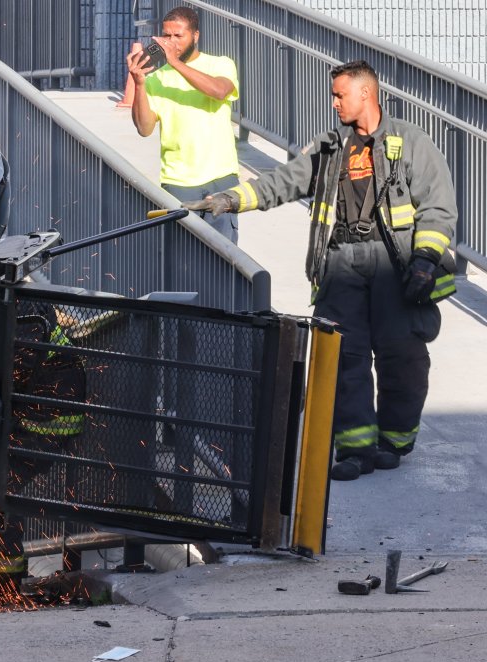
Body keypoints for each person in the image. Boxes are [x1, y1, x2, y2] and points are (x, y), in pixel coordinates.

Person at [182, 60, 458, 481]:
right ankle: (355, 449)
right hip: (341, 262)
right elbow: (282, 182)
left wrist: (425, 260)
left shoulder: (411, 142)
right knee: (342, 357)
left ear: (366, 94)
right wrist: (230, 199)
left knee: (403, 357)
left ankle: (394, 442)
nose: (334, 104)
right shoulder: (330, 148)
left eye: (339, 95)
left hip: (395, 265)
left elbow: (439, 206)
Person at [125, 6, 241, 242]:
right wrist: (139, 83)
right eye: (166, 35)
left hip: (220, 178)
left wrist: (175, 62)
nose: (171, 42)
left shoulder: (220, 64)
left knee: (224, 254)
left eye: (178, 35)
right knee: (183, 255)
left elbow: (219, 91)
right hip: (178, 182)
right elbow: (144, 128)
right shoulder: (156, 78)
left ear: (195, 36)